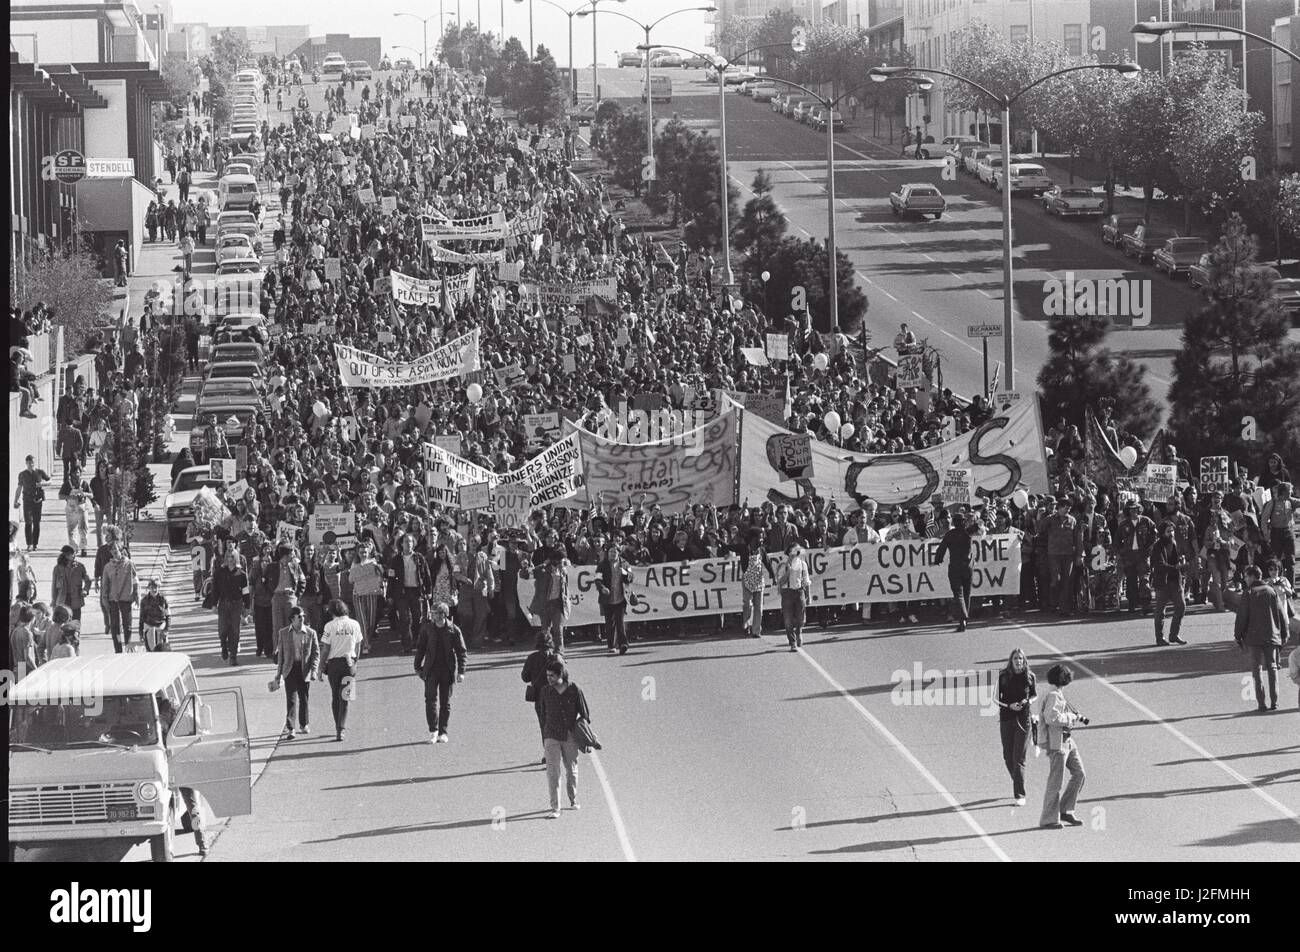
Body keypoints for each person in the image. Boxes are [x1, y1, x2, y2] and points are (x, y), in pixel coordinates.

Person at [1234, 564, 1291, 712]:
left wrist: (1238, 635)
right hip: (1271, 636)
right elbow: (1281, 614)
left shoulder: (1249, 593)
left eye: (1246, 576)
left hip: (1253, 638)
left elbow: (1242, 617)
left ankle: (1261, 704)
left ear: (1253, 576)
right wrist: (1284, 633)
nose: (1245, 579)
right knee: (1272, 668)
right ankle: (1275, 702)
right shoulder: (1271, 591)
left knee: (1256, 669)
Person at [538, 659, 591, 819]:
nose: (549, 679)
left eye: (552, 676)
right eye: (547, 675)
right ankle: (555, 807)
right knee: (552, 772)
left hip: (570, 735)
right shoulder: (545, 691)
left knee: (571, 770)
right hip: (551, 735)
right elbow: (542, 713)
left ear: (561, 675)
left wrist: (584, 735)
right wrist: (546, 733)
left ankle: (573, 799)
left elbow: (585, 714)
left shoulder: (575, 689)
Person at [1037, 663, 1087, 829]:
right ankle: (1048, 819)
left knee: (1079, 773)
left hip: (1066, 740)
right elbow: (1052, 717)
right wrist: (1070, 717)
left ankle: (1065, 809)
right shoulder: (1053, 695)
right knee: (1055, 782)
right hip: (1057, 741)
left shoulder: (1055, 693)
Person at [413, 600, 467, 743]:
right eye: (432, 612)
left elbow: (461, 652)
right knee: (430, 700)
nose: (433, 615)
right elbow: (421, 648)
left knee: (445, 702)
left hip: (447, 670)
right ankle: (433, 730)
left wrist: (461, 671)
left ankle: (443, 731)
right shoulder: (427, 629)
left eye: (435, 613)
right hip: (431, 670)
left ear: (444, 614)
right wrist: (417, 667)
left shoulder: (453, 630)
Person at [995, 648, 1037, 807]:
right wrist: (1009, 705)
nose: (1018, 661)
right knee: (1008, 756)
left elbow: (1034, 695)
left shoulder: (1030, 676)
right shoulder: (1003, 676)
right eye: (1015, 659)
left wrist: (1029, 702)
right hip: (1006, 718)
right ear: (1011, 661)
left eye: (1020, 658)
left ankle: (1019, 794)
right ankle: (1017, 781)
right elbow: (995, 699)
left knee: (1018, 758)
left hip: (1024, 719)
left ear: (1024, 661)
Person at [319, 599, 363, 741]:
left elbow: (325, 649)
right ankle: (342, 728)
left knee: (335, 695)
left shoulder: (329, 626)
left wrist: (320, 667)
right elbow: (358, 645)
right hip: (349, 663)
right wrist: (356, 662)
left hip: (334, 664)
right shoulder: (355, 624)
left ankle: (338, 727)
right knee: (346, 696)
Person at [275, 605, 320, 737]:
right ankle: (291, 728)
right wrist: (278, 675)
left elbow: (315, 654)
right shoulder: (283, 633)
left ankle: (304, 724)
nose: (302, 619)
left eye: (303, 616)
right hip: (290, 669)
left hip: (304, 669)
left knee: (304, 698)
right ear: (292, 619)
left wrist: (314, 670)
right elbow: (281, 655)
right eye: (299, 617)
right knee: (291, 699)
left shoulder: (311, 633)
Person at [386, 533, 431, 653]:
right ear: (401, 543)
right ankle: (407, 645)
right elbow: (391, 578)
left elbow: (426, 575)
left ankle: (417, 641)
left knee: (417, 617)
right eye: (406, 541)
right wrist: (389, 595)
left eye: (411, 541)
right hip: (402, 592)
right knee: (405, 619)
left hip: (416, 591)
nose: (408, 544)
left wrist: (428, 590)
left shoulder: (419, 558)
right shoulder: (396, 560)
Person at [934, 508, 977, 631]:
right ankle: (965, 619)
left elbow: (941, 550)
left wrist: (937, 560)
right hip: (968, 567)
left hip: (955, 568)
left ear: (953, 522)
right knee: (967, 594)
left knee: (958, 594)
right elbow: (980, 524)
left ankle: (962, 619)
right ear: (963, 522)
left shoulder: (949, 535)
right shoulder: (968, 532)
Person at [1148, 520, 1187, 646]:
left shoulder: (1174, 543)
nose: (1171, 534)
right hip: (1163, 583)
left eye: (1172, 531)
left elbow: (1177, 560)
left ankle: (1174, 635)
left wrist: (1181, 562)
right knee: (1160, 611)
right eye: (1168, 531)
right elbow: (1159, 565)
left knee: (1181, 607)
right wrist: (1175, 567)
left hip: (1175, 581)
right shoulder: (1157, 546)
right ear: (1162, 533)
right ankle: (1160, 638)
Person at [212, 547, 251, 663]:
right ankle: (224, 646)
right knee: (223, 630)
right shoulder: (219, 572)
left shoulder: (241, 574)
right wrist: (214, 604)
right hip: (223, 603)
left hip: (237, 604)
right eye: (228, 557)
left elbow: (245, 591)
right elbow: (215, 590)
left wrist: (247, 607)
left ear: (237, 559)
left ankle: (233, 656)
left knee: (235, 630)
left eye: (232, 557)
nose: (230, 559)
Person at [525, 552, 571, 651]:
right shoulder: (543, 571)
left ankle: (559, 653)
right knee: (545, 631)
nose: (563, 562)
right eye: (561, 560)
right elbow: (525, 575)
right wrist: (543, 564)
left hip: (558, 604)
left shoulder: (563, 571)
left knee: (558, 630)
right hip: (545, 604)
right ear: (555, 561)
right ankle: (545, 651)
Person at [1116, 501, 1156, 612]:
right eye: (1131, 509)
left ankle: (1145, 603)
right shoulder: (1123, 524)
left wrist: (1150, 548)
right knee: (1131, 580)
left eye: (1136, 508)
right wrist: (1121, 552)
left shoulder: (1146, 521)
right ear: (1127, 511)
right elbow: (1117, 541)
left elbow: (1154, 535)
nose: (1134, 511)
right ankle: (1132, 603)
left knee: (1144, 579)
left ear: (1139, 509)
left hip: (1143, 555)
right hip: (1129, 556)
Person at [346, 540, 385, 652]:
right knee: (362, 620)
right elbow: (350, 580)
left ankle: (366, 640)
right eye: (361, 552)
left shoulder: (373, 563)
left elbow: (381, 575)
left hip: (371, 593)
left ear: (369, 552)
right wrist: (354, 571)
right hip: (358, 595)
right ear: (358, 553)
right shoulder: (354, 564)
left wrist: (378, 567)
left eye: (365, 552)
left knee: (371, 621)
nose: (363, 554)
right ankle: (365, 645)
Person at [101, 542, 139, 653]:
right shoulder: (108, 567)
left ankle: (128, 645)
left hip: (125, 599)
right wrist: (105, 599)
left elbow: (135, 580)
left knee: (127, 625)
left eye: (116, 549)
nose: (114, 551)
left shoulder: (129, 563)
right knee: (115, 626)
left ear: (121, 550)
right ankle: (118, 648)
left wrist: (137, 595)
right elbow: (105, 584)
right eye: (112, 550)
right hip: (113, 600)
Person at [596, 541, 632, 654]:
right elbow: (597, 579)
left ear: (618, 553)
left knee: (620, 622)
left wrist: (625, 573)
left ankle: (623, 644)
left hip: (621, 597)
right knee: (609, 623)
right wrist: (602, 588)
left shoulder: (625, 564)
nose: (612, 554)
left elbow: (631, 577)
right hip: (607, 599)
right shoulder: (602, 565)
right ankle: (611, 645)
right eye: (610, 552)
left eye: (614, 552)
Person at [776, 541, 811, 650]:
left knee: (801, 618)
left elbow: (806, 581)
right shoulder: (783, 565)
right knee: (788, 619)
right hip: (787, 593)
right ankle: (792, 643)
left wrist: (808, 595)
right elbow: (780, 582)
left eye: (798, 550)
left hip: (799, 591)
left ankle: (799, 631)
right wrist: (788, 570)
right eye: (795, 550)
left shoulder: (802, 564)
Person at [14, 455, 51, 551]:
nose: (31, 464)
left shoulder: (40, 472)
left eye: (32, 462)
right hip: (27, 500)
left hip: (38, 500)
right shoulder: (22, 474)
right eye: (29, 462)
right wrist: (16, 500)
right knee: (28, 522)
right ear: (26, 463)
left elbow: (50, 481)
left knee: (36, 523)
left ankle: (35, 544)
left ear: (35, 463)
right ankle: (29, 544)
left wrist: (41, 484)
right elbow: (19, 488)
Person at [50, 545, 91, 622]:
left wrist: (85, 590)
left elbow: (88, 580)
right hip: (62, 600)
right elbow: (54, 587)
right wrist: (53, 601)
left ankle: (75, 634)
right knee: (63, 624)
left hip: (75, 599)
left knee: (75, 623)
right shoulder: (57, 568)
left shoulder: (80, 567)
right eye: (67, 554)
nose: (70, 556)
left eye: (71, 554)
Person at [139, 578, 171, 651]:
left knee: (163, 650)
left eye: (155, 588)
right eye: (152, 588)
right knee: (150, 650)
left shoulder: (163, 600)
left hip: (161, 627)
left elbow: (168, 616)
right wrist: (141, 634)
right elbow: (141, 618)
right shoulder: (144, 601)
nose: (154, 590)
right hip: (149, 627)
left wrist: (166, 630)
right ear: (149, 588)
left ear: (158, 588)